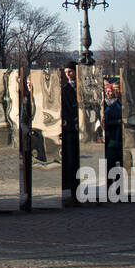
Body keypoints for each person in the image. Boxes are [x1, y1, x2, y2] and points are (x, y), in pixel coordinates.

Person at [62, 64, 81, 204]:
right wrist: (70, 120)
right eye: (66, 72)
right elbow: (62, 109)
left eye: (70, 71)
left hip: (82, 129)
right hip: (70, 130)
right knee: (71, 162)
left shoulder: (82, 87)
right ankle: (74, 192)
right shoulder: (64, 90)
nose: (68, 74)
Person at [104, 82, 123, 169]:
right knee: (111, 165)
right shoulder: (111, 108)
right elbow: (107, 124)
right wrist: (117, 122)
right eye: (114, 89)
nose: (116, 91)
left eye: (117, 89)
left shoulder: (121, 105)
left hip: (123, 140)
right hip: (113, 139)